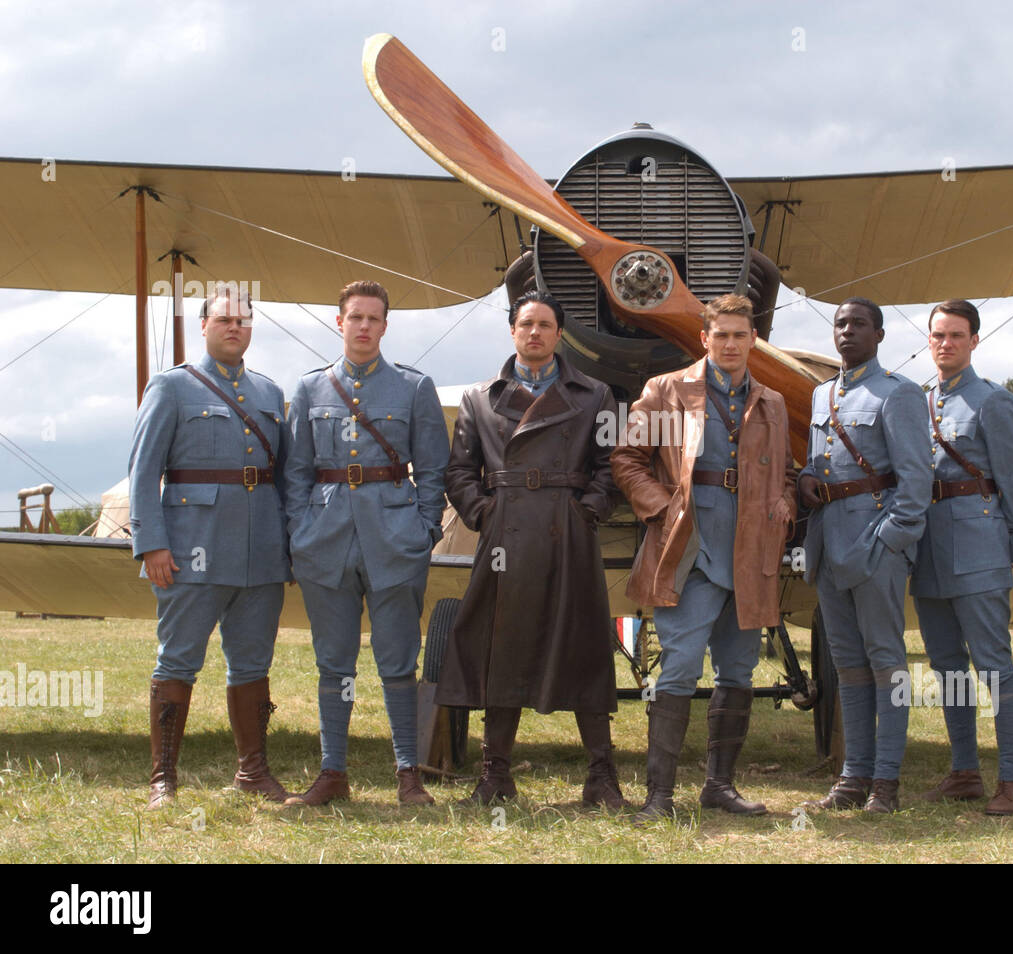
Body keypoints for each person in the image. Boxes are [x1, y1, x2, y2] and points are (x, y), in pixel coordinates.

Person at [435, 291, 626, 809]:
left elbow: (614, 465)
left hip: (569, 531)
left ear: (559, 333)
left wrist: (586, 510)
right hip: (505, 535)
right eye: (526, 324)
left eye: (545, 324)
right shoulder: (479, 397)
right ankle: (494, 774)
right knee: (503, 645)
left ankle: (602, 776)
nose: (535, 333)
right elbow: (458, 470)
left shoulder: (594, 394)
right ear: (512, 331)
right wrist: (484, 513)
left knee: (585, 644)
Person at [611, 293, 796, 822]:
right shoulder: (666, 391)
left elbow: (784, 470)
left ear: (754, 339)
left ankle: (720, 787)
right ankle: (659, 796)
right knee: (680, 668)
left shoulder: (773, 402)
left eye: (741, 334)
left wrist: (784, 497)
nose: (731, 343)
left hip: (751, 550)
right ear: (704, 339)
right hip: (689, 547)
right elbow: (626, 458)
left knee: (737, 669)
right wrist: (662, 509)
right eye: (722, 335)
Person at [282, 280, 450, 807]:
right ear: (340, 322)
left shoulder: (413, 387)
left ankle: (408, 774)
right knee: (334, 663)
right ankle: (333, 772)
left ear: (384, 326)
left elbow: (433, 466)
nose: (363, 326)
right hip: (326, 540)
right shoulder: (311, 389)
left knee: (398, 660)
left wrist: (424, 529)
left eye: (373, 318)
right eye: (355, 317)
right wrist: (299, 532)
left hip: (394, 537)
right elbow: (295, 471)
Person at [128, 285, 291, 809]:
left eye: (243, 320)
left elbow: (285, 478)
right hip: (189, 548)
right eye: (224, 319)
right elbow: (143, 470)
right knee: (177, 661)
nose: (234, 327)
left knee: (252, 664)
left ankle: (253, 773)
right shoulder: (171, 387)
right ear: (203, 326)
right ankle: (163, 780)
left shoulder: (269, 393)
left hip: (260, 551)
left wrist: (287, 547)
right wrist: (151, 543)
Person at [798, 297, 930, 814]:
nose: (847, 331)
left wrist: (892, 538)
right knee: (848, 665)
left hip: (875, 544)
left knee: (886, 663)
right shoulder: (821, 394)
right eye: (840, 323)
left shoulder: (899, 394)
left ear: (878, 335)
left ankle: (887, 785)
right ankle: (853, 779)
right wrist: (808, 478)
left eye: (859, 324)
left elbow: (916, 479)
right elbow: (817, 462)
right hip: (829, 543)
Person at [911, 299, 1013, 815]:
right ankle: (964, 771)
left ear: (974, 341)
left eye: (956, 335)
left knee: (993, 666)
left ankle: (1012, 780)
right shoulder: (918, 402)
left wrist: (1000, 551)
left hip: (979, 547)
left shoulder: (995, 402)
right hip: (929, 550)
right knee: (946, 666)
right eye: (938, 335)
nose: (946, 343)